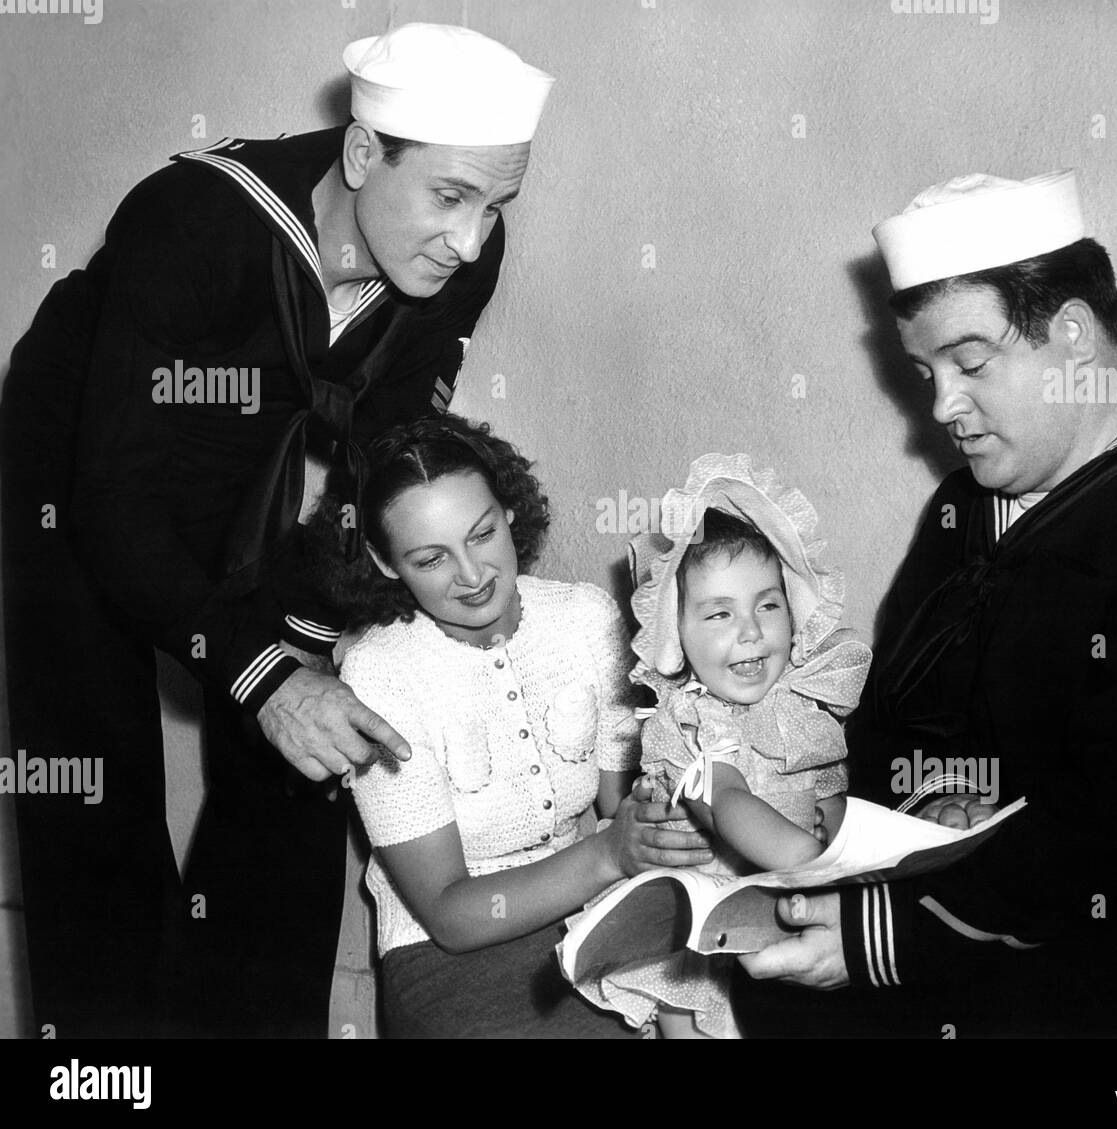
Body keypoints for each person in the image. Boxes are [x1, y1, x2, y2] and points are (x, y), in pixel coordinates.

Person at [0, 22, 554, 1037]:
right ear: (360, 153)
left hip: (247, 458)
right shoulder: (191, 220)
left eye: (493, 205)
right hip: (77, 461)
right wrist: (258, 671)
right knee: (92, 778)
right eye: (448, 196)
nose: (472, 241)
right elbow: (114, 505)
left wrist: (419, 585)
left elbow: (385, 451)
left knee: (308, 745)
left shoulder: (460, 253)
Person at [734, 169, 1117, 1038]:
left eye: (969, 362)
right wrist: (935, 804)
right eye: (925, 371)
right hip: (967, 926)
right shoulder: (965, 510)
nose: (941, 407)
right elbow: (892, 722)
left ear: (1072, 333)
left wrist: (889, 933)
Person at [313, 415, 712, 1038]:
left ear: (509, 512)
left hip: (600, 911)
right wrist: (609, 852)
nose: (472, 576)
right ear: (385, 563)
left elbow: (616, 801)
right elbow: (450, 914)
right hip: (450, 955)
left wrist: (675, 801)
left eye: (483, 533)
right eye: (431, 558)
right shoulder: (378, 676)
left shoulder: (586, 616)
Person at [566, 454, 871, 1038]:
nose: (751, 630)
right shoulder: (687, 725)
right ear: (676, 636)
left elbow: (828, 792)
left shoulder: (802, 706)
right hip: (700, 924)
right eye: (719, 614)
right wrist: (822, 863)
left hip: (784, 913)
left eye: (768, 604)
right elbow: (727, 805)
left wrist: (849, 842)